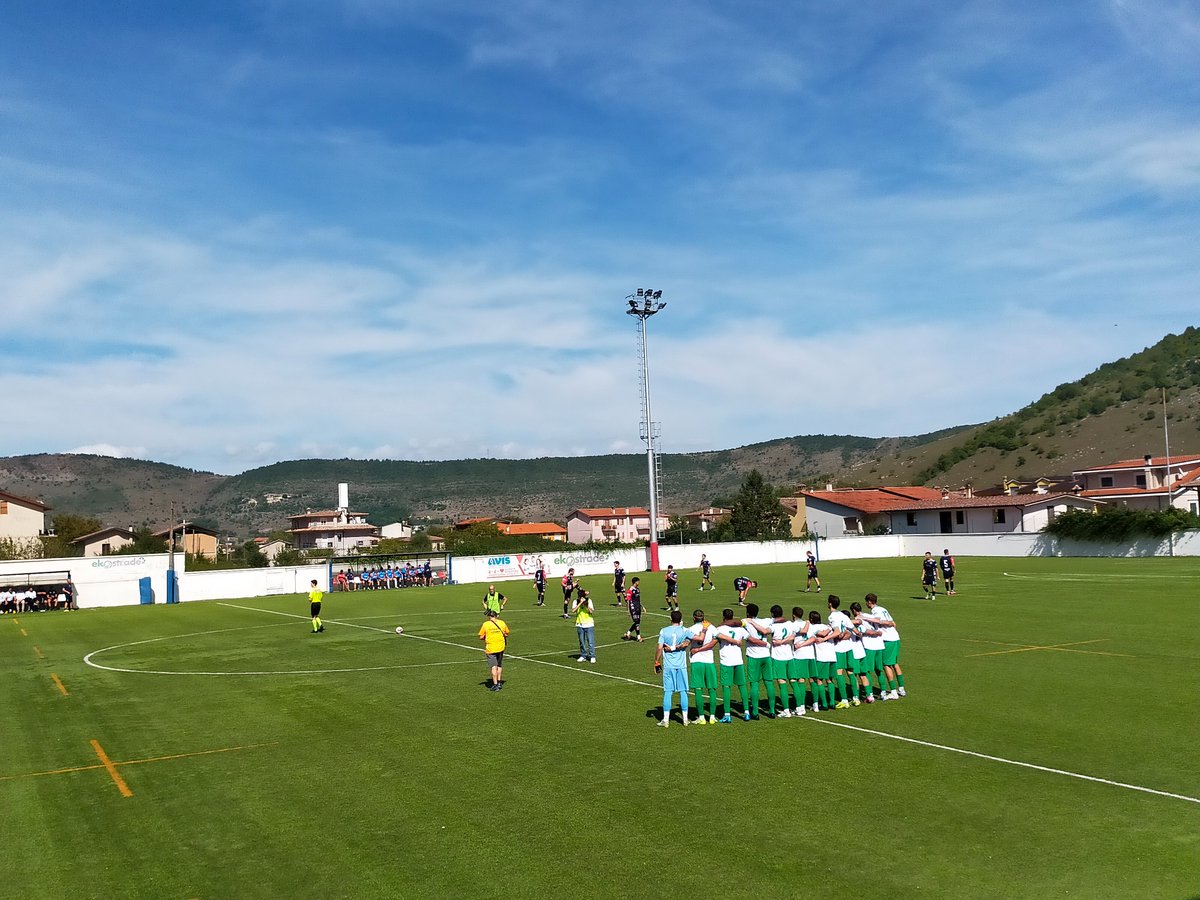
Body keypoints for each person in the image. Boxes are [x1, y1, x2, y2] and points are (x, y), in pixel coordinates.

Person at [862, 593, 906, 699]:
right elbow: (893, 623)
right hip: (895, 637)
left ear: (869, 602)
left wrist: (866, 618)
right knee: (895, 664)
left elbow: (887, 622)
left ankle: (893, 691)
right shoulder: (883, 609)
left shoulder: (875, 611)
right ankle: (901, 688)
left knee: (886, 665)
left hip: (888, 640)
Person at [655, 609, 692, 727]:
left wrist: (656, 661)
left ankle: (665, 720)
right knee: (683, 691)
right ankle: (685, 719)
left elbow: (660, 648)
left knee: (668, 691)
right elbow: (692, 640)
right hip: (681, 665)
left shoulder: (664, 631)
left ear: (671, 619)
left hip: (669, 666)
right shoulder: (685, 630)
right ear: (680, 620)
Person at [714, 609, 751, 722]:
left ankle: (727, 714)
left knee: (726, 687)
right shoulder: (740, 629)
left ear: (723, 617)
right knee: (742, 686)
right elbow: (749, 637)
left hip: (726, 661)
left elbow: (714, 640)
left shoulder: (720, 629)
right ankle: (746, 712)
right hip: (738, 660)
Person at [741, 602, 775, 719]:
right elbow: (776, 620)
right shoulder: (765, 621)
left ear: (748, 613)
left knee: (754, 684)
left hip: (754, 657)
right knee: (769, 684)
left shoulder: (745, 621)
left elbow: (736, 624)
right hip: (766, 656)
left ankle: (755, 712)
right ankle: (771, 711)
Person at [687, 609, 720, 725]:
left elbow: (686, 642)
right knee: (712, 689)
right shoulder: (711, 627)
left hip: (696, 661)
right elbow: (715, 641)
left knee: (698, 689)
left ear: (693, 618)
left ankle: (701, 717)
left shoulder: (690, 629)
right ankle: (712, 716)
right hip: (709, 661)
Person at [768, 604, 802, 717]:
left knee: (782, 683)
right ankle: (799, 708)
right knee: (793, 682)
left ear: (773, 614)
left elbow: (763, 631)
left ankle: (786, 711)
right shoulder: (790, 624)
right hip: (790, 656)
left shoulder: (773, 626)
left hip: (778, 658)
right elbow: (795, 635)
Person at [851, 600, 886, 702]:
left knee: (866, 672)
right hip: (879, 645)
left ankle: (869, 694)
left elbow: (865, 630)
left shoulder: (858, 618)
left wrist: (874, 633)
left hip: (869, 646)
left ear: (854, 610)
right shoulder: (868, 615)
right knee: (879, 670)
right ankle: (883, 692)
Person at [827, 595, 856, 708]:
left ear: (830, 603)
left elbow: (837, 633)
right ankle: (855, 698)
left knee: (839, 673)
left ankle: (844, 699)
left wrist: (826, 638)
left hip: (839, 648)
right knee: (850, 672)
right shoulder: (843, 615)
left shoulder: (832, 616)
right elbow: (853, 629)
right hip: (849, 647)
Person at [477, 609, 510, 691]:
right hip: (501, 647)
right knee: (499, 665)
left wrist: (487, 637)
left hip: (491, 648)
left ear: (489, 616)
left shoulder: (486, 624)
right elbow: (506, 633)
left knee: (493, 666)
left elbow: (481, 636)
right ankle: (499, 682)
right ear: (496, 616)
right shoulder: (502, 623)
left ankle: (495, 685)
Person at [572, 589, 596, 663]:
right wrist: (580, 603)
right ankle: (583, 655)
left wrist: (585, 605)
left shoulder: (589, 601)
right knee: (581, 641)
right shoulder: (575, 601)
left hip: (589, 624)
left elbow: (591, 611)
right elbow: (573, 610)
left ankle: (592, 656)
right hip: (580, 624)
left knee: (590, 641)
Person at [622, 576, 644, 642]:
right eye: (638, 581)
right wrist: (628, 610)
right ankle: (638, 637)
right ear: (635, 582)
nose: (639, 583)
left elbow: (638, 600)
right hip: (633, 608)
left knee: (637, 622)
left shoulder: (637, 590)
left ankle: (628, 633)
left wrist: (642, 607)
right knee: (636, 622)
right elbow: (628, 600)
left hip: (638, 607)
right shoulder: (630, 590)